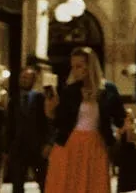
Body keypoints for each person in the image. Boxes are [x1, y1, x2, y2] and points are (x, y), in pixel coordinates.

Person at [44, 46, 127, 193]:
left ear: (90, 66)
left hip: (96, 145)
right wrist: (50, 111)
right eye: (73, 66)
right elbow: (60, 123)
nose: (75, 70)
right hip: (68, 145)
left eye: (79, 66)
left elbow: (120, 118)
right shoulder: (70, 90)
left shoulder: (108, 89)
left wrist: (124, 131)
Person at [5, 65, 51, 192]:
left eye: (27, 78)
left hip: (38, 148)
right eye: (22, 77)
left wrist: (48, 143)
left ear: (33, 80)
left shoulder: (40, 99)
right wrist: (6, 149)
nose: (23, 80)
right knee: (17, 185)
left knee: (44, 183)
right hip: (18, 149)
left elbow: (47, 122)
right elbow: (9, 125)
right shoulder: (13, 100)